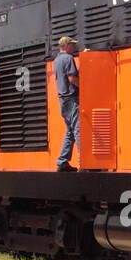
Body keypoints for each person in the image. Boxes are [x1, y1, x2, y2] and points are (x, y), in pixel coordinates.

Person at [54, 34, 80, 171]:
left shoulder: (56, 60)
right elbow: (71, 78)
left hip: (62, 100)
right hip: (72, 98)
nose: (74, 47)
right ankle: (85, 162)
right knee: (78, 129)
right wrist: (84, 86)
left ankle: (62, 161)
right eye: (72, 44)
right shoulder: (69, 58)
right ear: (65, 45)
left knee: (70, 131)